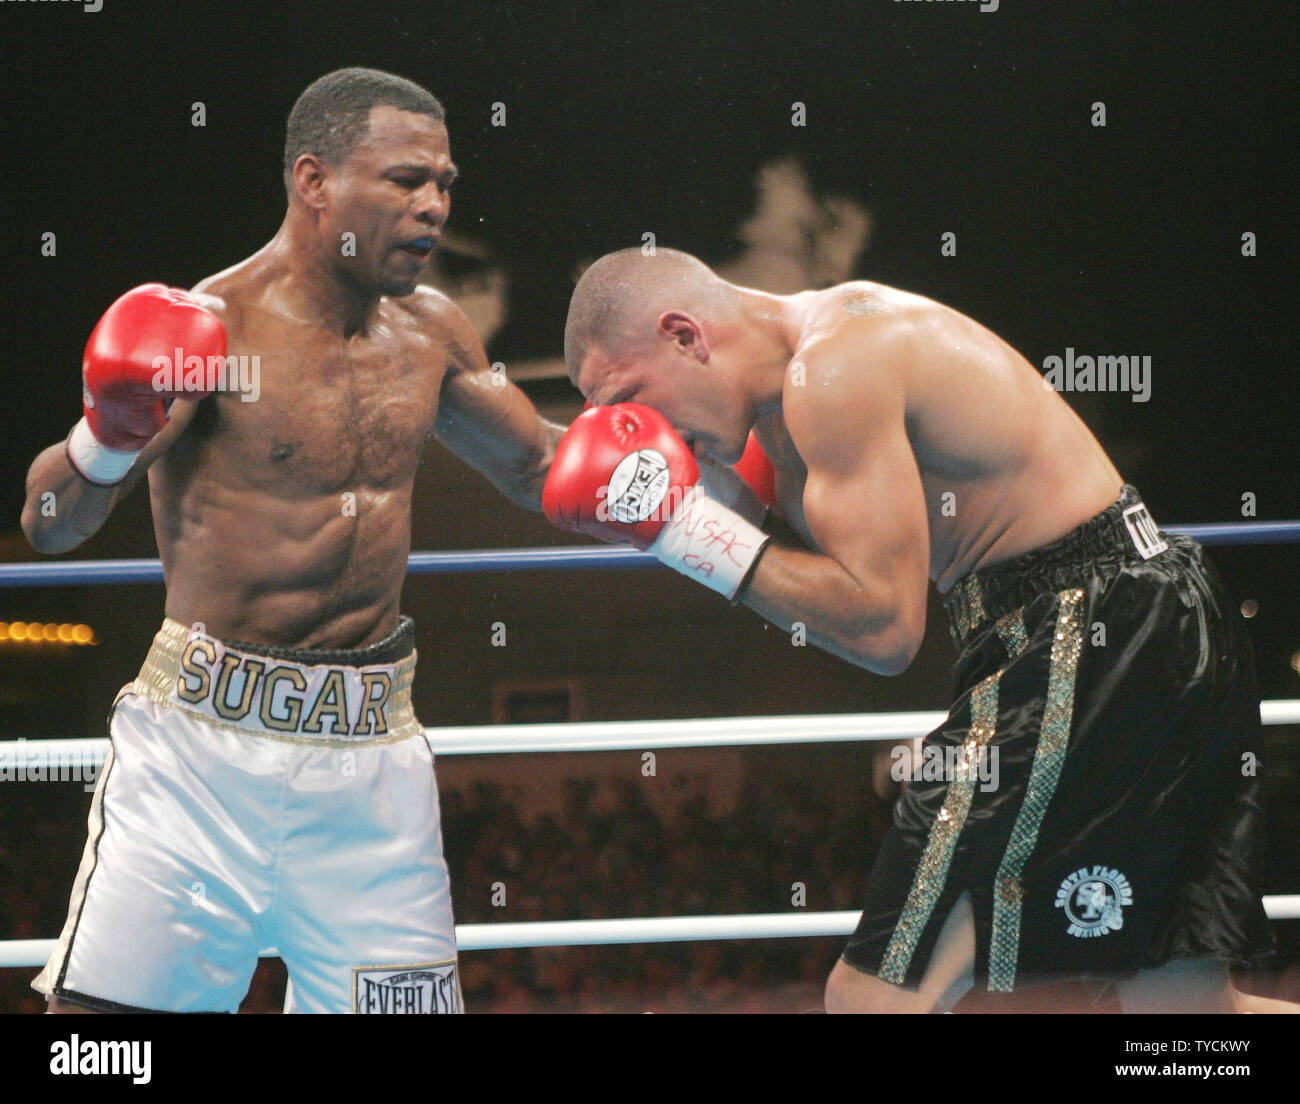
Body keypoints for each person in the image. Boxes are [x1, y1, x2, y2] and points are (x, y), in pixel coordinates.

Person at [543, 246, 1281, 1013]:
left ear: (686, 336)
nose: (634, 427)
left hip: (1085, 626)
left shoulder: (835, 369)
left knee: (874, 997)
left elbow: (885, 629)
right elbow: (817, 583)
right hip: (1139, 617)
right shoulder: (776, 420)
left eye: (629, 396)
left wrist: (685, 535)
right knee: (1187, 1014)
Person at [20, 68, 563, 1014]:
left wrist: (689, 473)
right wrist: (103, 434)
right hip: (199, 757)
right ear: (313, 182)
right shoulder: (208, 330)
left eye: (445, 183)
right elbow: (51, 525)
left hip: (371, 772)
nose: (434, 206)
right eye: (404, 180)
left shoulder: (434, 333)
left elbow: (542, 468)